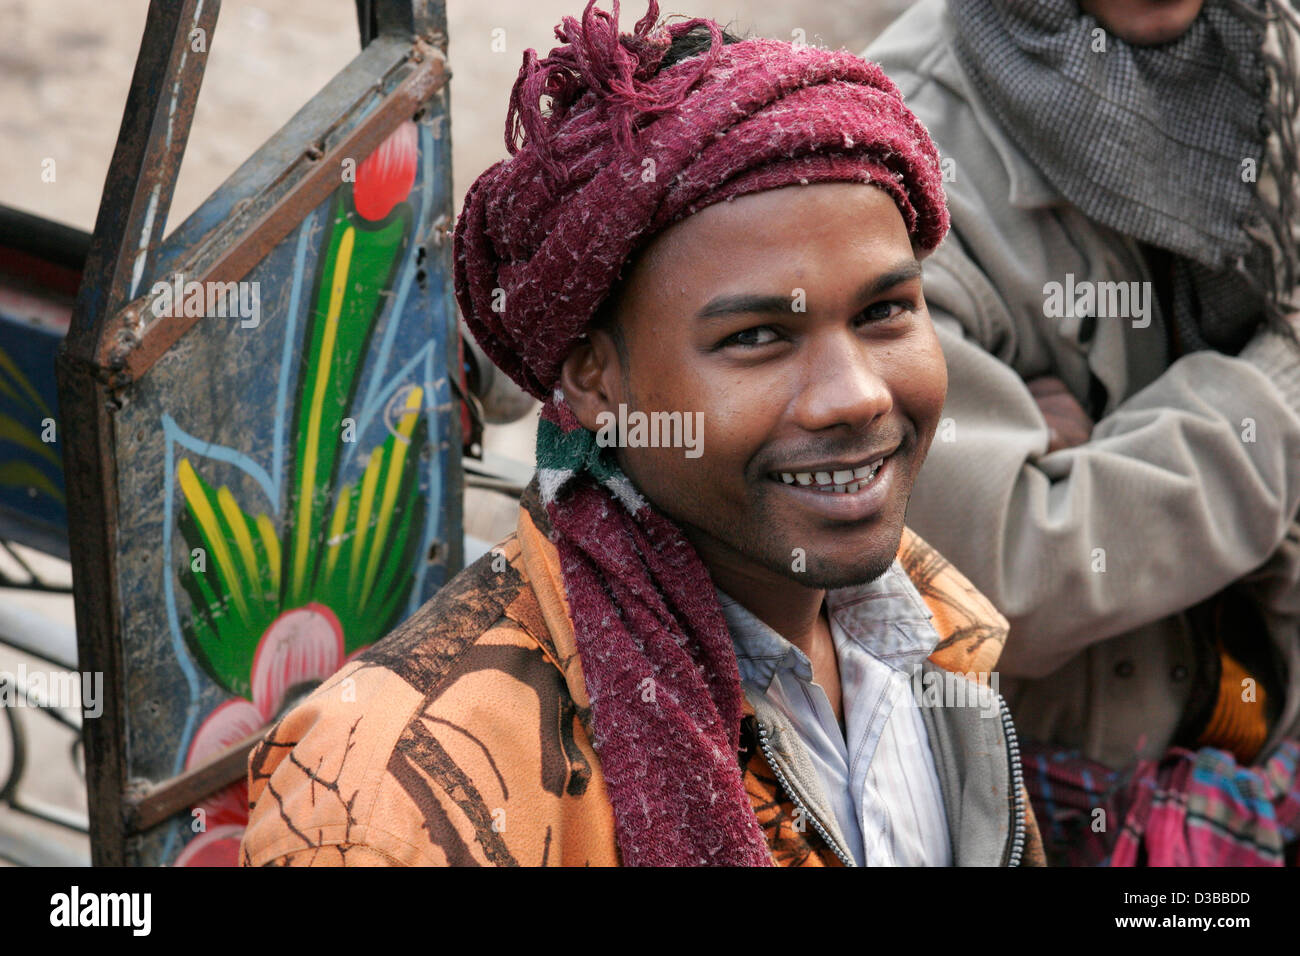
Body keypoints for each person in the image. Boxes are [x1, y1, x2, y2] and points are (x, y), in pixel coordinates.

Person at [237, 0, 1044, 867]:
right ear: (593, 380)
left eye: (886, 312)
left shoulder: (931, 630)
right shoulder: (391, 799)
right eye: (757, 338)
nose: (853, 398)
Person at [866, 0, 1300, 865]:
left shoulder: (1273, 55)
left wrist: (1096, 458)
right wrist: (1279, 388)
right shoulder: (901, 149)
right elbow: (991, 585)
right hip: (1074, 813)